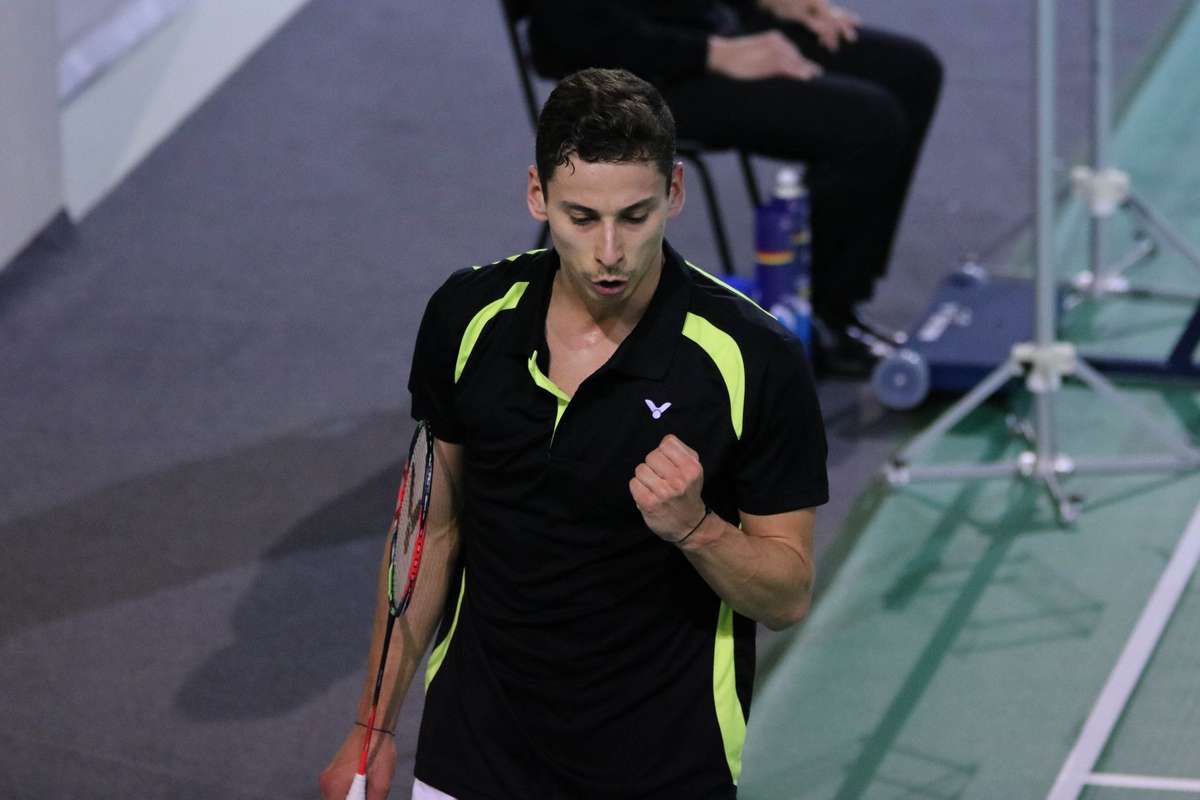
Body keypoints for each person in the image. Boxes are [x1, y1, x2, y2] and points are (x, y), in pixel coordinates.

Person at [319, 68, 828, 800]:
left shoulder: (754, 358)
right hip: (476, 749)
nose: (610, 252)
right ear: (538, 196)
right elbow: (426, 526)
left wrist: (697, 529)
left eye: (636, 216)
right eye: (582, 219)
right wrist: (373, 728)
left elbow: (786, 597)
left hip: (661, 765)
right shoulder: (466, 318)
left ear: (675, 194)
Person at [528, 0, 943, 375]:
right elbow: (567, 35)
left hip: (701, 26)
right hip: (635, 73)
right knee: (867, 123)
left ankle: (838, 306)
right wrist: (713, 54)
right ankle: (818, 317)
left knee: (913, 73)